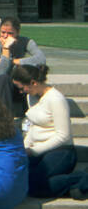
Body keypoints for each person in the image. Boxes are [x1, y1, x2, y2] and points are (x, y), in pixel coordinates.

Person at [13, 64, 88, 200]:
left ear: (33, 83)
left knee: (34, 185)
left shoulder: (56, 99)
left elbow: (63, 136)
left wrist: (34, 151)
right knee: (20, 179)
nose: (21, 92)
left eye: (21, 88)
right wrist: (24, 147)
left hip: (61, 151)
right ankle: (74, 186)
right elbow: (33, 126)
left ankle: (81, 178)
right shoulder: (32, 97)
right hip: (37, 150)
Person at [0, 16, 46, 116]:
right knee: (4, 79)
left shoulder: (26, 42)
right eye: (3, 32)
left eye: (10, 33)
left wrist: (13, 61)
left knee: (31, 79)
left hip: (16, 83)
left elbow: (41, 59)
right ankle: (5, 120)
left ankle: (33, 116)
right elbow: (1, 72)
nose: (5, 36)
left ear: (17, 32)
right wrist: (6, 49)